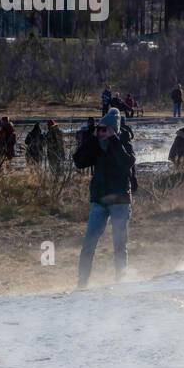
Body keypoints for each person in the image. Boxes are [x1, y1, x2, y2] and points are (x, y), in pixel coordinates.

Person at [73, 107, 136, 288]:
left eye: (105, 129)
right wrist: (92, 138)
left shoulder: (124, 142)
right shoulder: (96, 144)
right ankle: (82, 283)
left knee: (119, 244)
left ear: (114, 129)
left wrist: (114, 140)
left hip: (120, 200)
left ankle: (121, 280)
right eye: (101, 129)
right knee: (88, 244)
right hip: (100, 200)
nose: (102, 133)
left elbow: (126, 164)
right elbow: (79, 161)